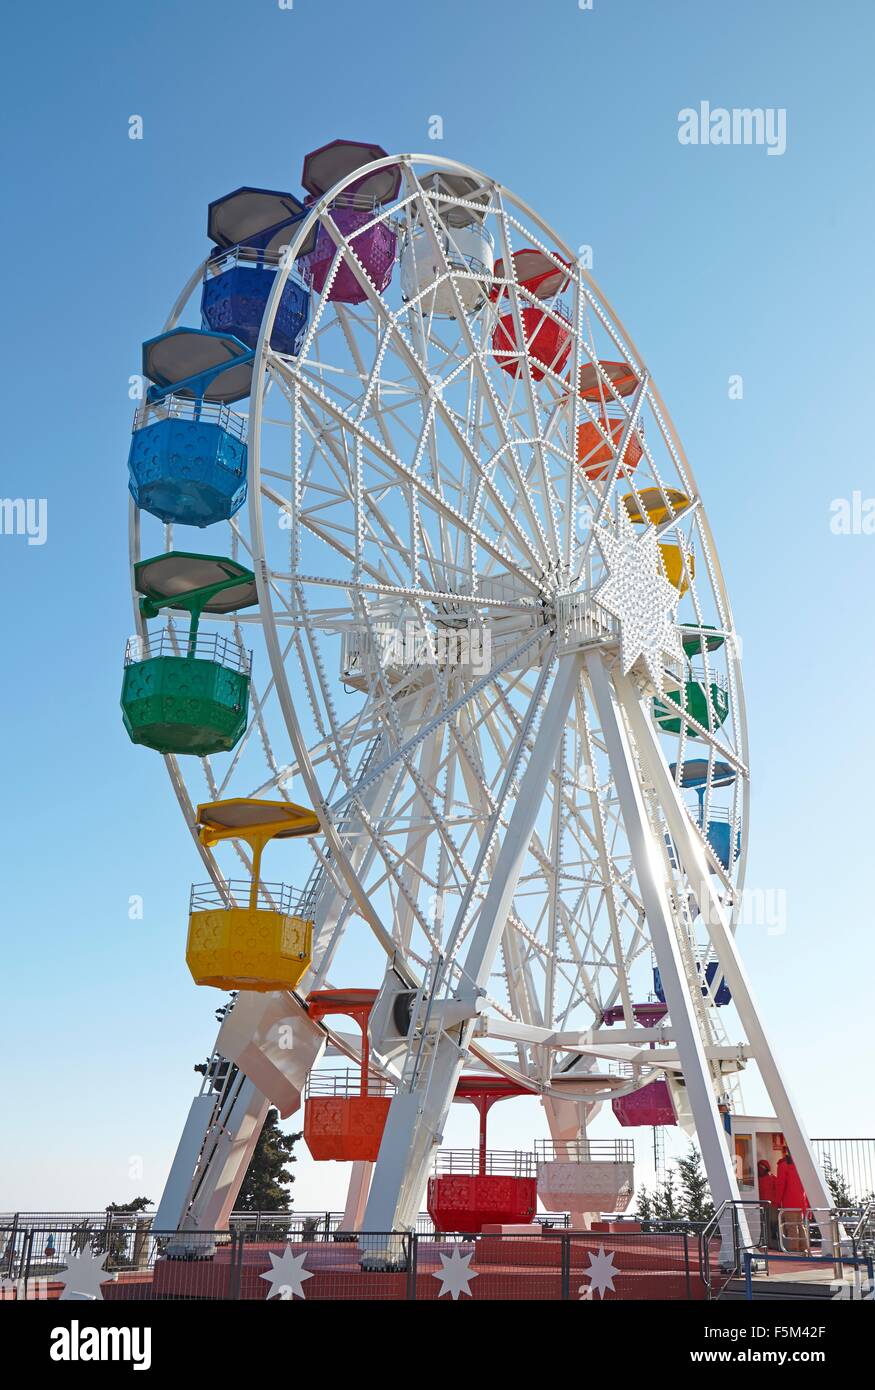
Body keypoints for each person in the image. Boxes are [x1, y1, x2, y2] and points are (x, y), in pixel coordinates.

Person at [775, 1148, 809, 1252]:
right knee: (800, 1225)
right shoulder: (801, 1165)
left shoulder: (783, 1166)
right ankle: (805, 1247)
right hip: (800, 1201)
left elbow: (781, 1185)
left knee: (791, 1227)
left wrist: (777, 1200)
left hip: (789, 1201)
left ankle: (793, 1248)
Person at [757, 1159, 778, 1246]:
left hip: (771, 1205)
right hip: (764, 1205)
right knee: (767, 1225)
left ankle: (772, 1244)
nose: (760, 1169)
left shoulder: (772, 1178)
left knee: (772, 1225)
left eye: (761, 1167)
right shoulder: (760, 1180)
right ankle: (768, 1244)